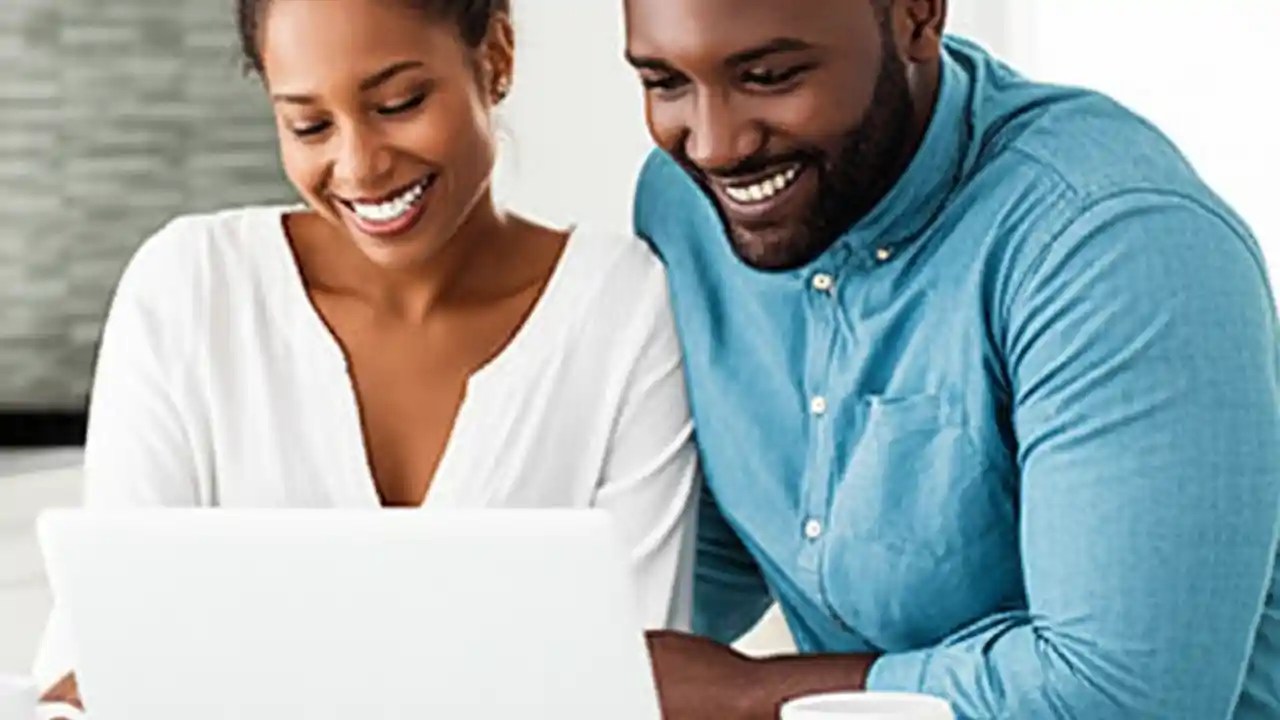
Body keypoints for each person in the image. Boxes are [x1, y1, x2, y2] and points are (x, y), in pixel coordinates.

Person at [34, 0, 700, 714]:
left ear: (496, 56)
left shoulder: (622, 307)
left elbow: (626, 678)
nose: (359, 165)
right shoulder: (192, 291)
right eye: (309, 125)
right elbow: (105, 661)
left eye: (398, 103)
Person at [626, 0, 1280, 718]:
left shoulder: (1115, 241)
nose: (717, 145)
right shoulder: (690, 207)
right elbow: (712, 559)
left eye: (770, 76)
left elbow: (1126, 698)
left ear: (917, 16)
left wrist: (751, 695)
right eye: (664, 83)